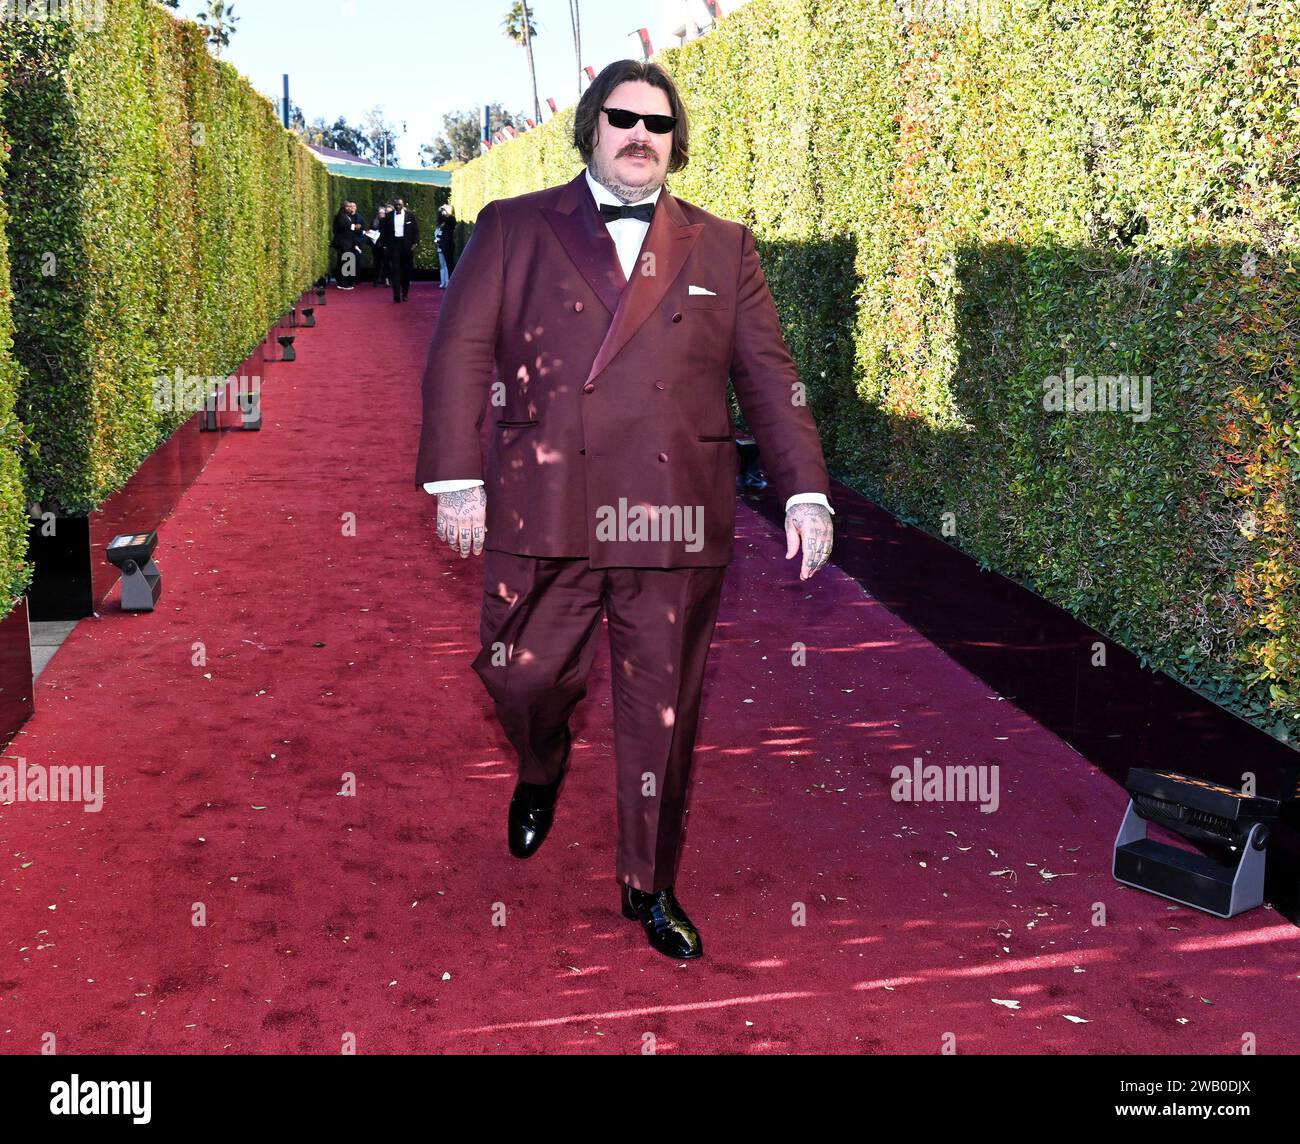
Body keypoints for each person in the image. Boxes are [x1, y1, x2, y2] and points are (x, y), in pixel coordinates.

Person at [414, 59, 834, 960]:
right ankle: (542, 761)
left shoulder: (724, 244)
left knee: (661, 710)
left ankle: (649, 883)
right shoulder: (514, 226)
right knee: (521, 678)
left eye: (659, 123)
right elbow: (460, 352)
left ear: (676, 141)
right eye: (623, 118)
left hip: (672, 512)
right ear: (591, 129)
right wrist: (455, 479)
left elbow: (770, 376)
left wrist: (805, 492)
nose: (641, 135)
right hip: (545, 501)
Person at [380, 197, 419, 302]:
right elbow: (384, 231)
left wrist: (415, 243)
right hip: (394, 245)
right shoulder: (389, 216)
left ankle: (405, 293)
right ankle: (396, 294)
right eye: (396, 204)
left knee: (406, 270)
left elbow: (415, 230)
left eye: (399, 204)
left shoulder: (410, 215)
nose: (398, 206)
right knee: (395, 270)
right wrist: (384, 245)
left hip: (407, 246)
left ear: (403, 205)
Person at [331, 200, 364, 290]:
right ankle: (343, 283)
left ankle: (346, 282)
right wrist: (354, 226)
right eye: (348, 206)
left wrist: (355, 227)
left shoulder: (347, 216)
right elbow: (342, 226)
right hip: (343, 243)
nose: (350, 208)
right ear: (344, 207)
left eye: (351, 206)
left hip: (348, 243)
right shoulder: (340, 216)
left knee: (346, 262)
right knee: (344, 263)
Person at [371, 203, 392, 288]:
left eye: (383, 212)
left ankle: (387, 279)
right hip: (378, 244)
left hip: (388, 244)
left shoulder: (392, 220)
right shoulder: (378, 221)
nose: (382, 214)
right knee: (377, 263)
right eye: (381, 213)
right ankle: (377, 280)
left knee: (388, 263)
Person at [435, 204, 456, 288]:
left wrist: (444, 210)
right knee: (445, 264)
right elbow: (440, 217)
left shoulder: (451, 219)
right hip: (443, 244)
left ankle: (450, 281)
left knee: (449, 264)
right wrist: (441, 209)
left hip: (448, 244)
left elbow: (447, 218)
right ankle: (446, 281)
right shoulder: (443, 221)